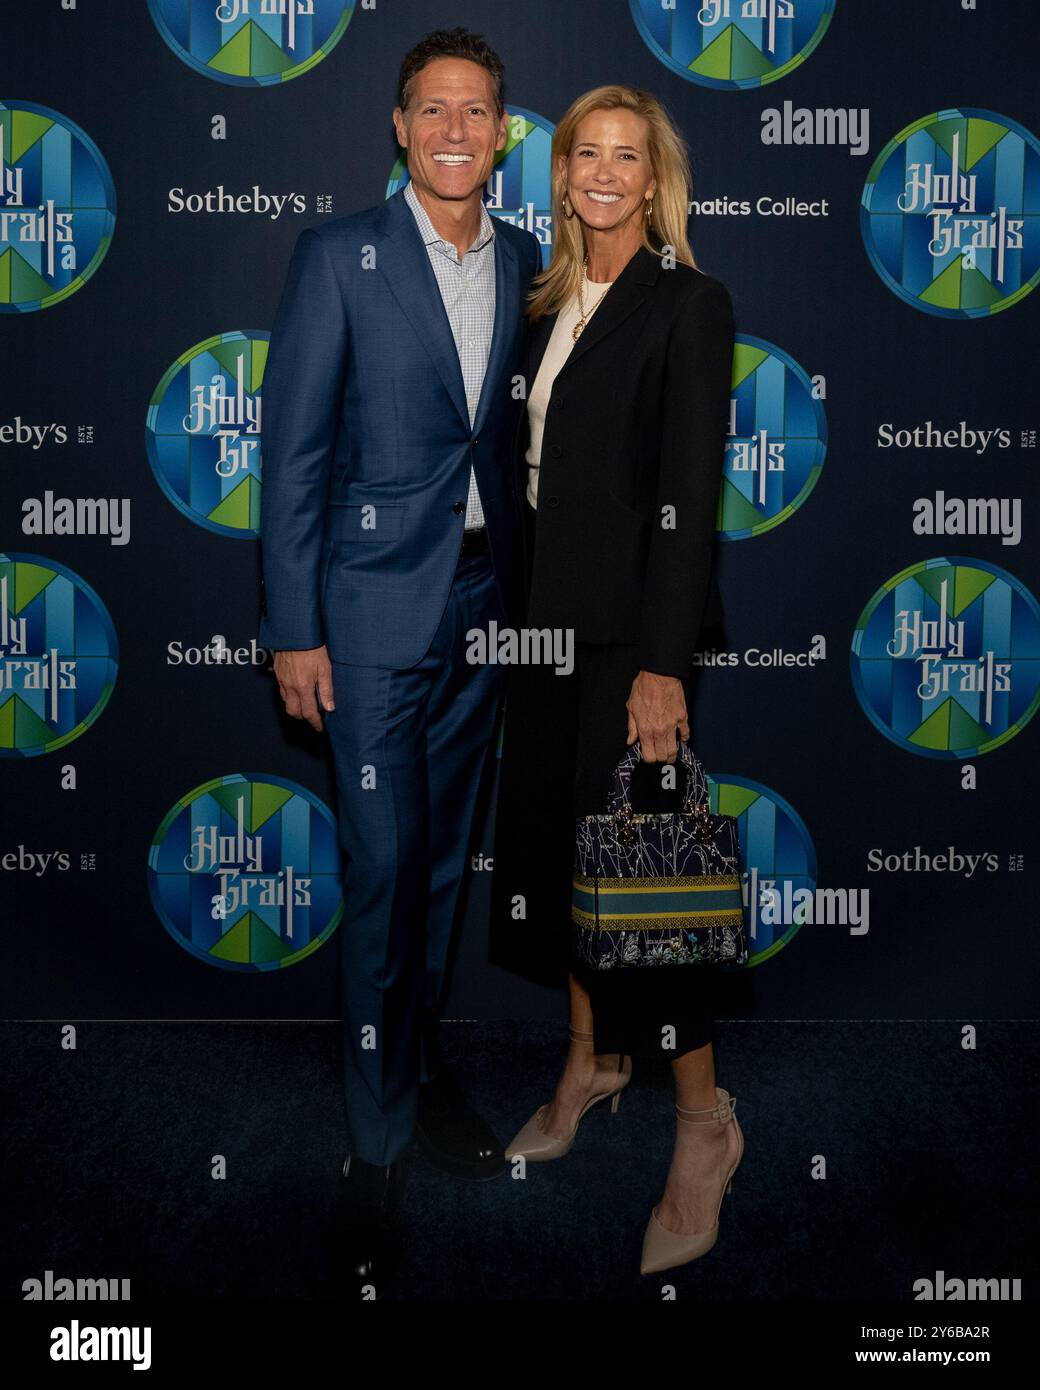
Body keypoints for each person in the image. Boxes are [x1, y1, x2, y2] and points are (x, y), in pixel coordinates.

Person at [257, 27, 541, 1287]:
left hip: (481, 609)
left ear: (499, 131)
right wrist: (293, 628)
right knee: (381, 876)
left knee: (435, 878)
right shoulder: (338, 256)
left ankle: (420, 1082)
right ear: (397, 125)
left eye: (475, 112)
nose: (453, 131)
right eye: (432, 110)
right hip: (365, 623)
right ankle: (372, 1138)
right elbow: (294, 463)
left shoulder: (525, 256)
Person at [489, 85, 743, 1275]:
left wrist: (661, 664)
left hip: (631, 646)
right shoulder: (543, 305)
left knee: (652, 891)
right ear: (561, 174)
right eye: (581, 152)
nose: (600, 171)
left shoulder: (687, 305)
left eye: (623, 156)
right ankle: (589, 1064)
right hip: (540, 638)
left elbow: (688, 498)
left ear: (653, 180)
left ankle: (703, 1124)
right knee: (561, 860)